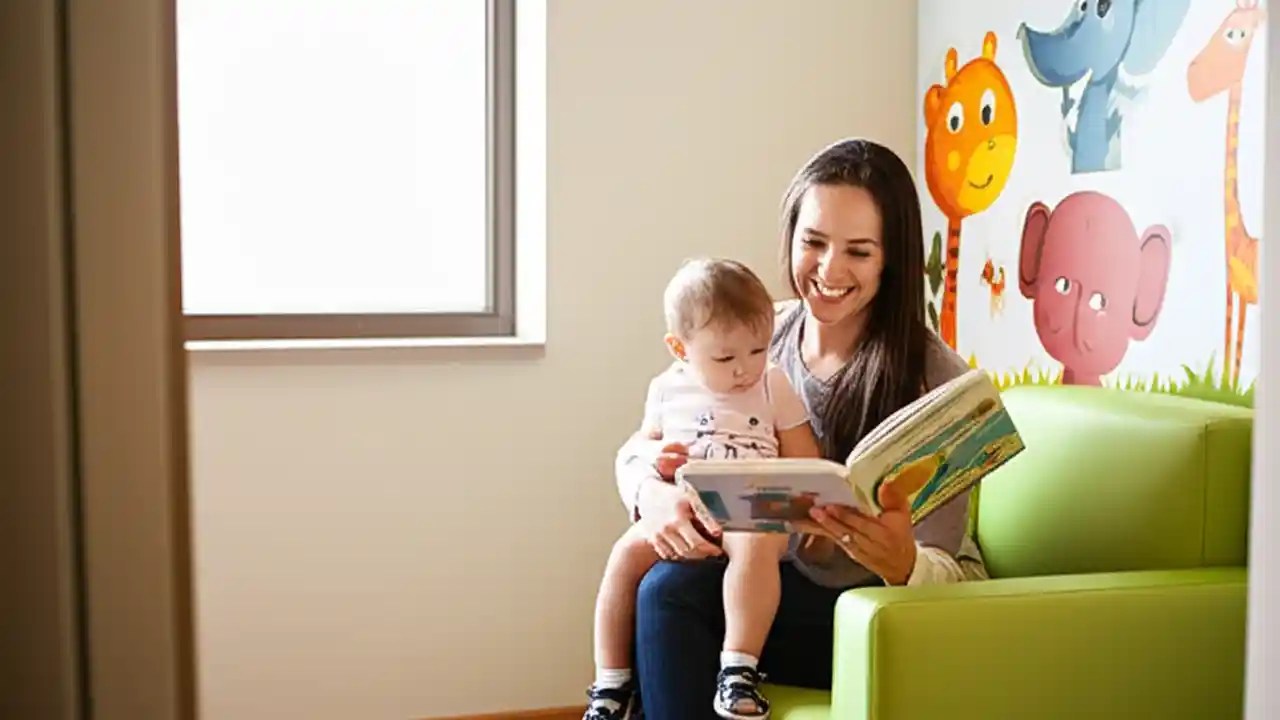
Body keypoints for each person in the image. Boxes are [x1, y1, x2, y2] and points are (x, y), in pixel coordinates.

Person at [613, 138, 988, 719]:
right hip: (772, 582)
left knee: (671, 592)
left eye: (859, 252)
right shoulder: (763, 333)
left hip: (876, 608)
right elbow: (644, 441)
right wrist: (651, 494)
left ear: (892, 258)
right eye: (813, 242)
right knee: (662, 582)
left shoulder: (936, 379)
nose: (829, 270)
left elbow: (953, 581)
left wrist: (901, 562)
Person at [585, 257, 823, 720]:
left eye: (758, 349)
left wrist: (799, 497)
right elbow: (645, 449)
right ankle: (611, 685)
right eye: (725, 358)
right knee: (623, 559)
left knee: (753, 546)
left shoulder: (773, 382)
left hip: (755, 506)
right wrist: (655, 462)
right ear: (680, 348)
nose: (745, 369)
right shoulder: (666, 389)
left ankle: (738, 669)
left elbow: (804, 459)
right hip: (687, 507)